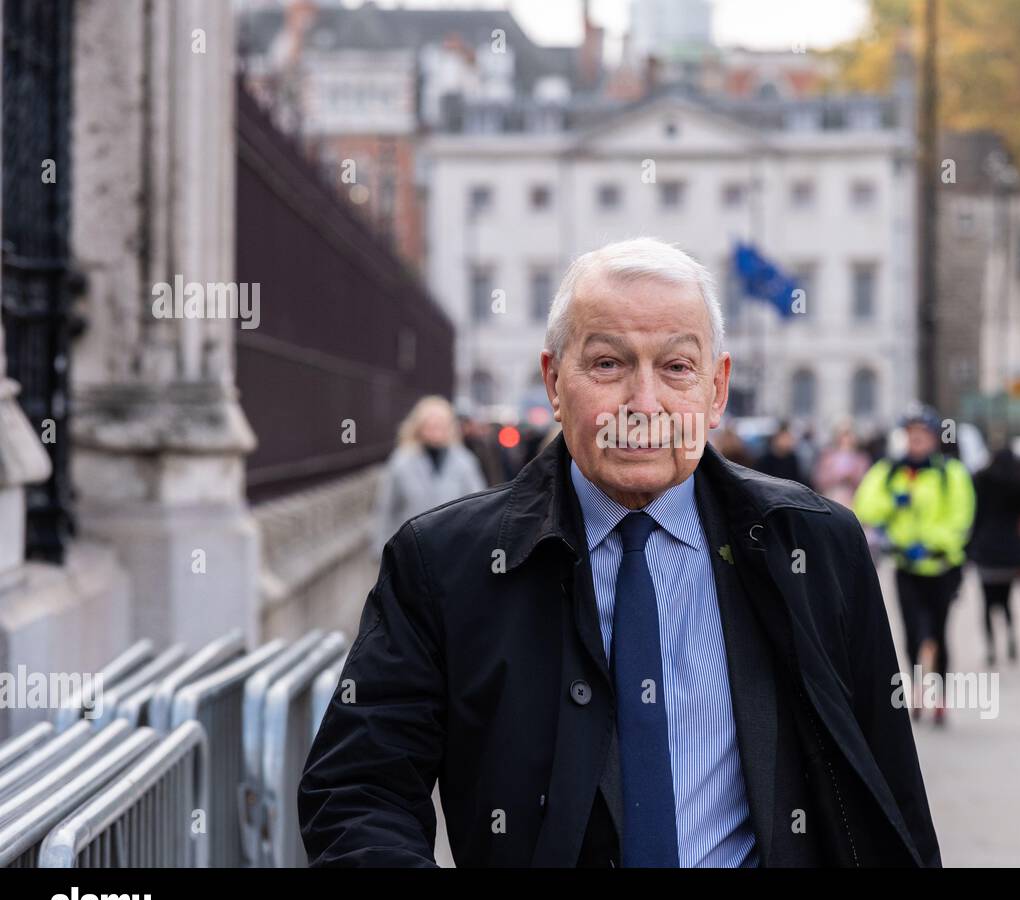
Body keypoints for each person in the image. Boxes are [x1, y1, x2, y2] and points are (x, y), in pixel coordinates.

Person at [300, 237, 940, 867]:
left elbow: (889, 796)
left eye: (676, 368)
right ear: (554, 381)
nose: (643, 403)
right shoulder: (442, 564)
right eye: (608, 364)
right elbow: (359, 791)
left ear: (716, 390)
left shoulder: (813, 546)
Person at [854, 405, 975, 726]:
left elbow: (961, 518)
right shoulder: (889, 471)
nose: (916, 442)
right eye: (911, 436)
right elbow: (865, 507)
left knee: (938, 630)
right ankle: (919, 688)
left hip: (942, 567)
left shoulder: (951, 474)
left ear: (934, 440)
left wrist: (936, 543)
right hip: (906, 564)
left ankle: (942, 695)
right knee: (910, 632)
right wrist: (892, 503)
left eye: (922, 437)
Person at [370, 396, 486, 558]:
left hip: (452, 553)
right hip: (410, 552)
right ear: (419, 427)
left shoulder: (465, 462)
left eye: (441, 424)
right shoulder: (401, 462)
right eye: (430, 424)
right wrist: (380, 549)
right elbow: (386, 507)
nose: (435, 430)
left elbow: (478, 506)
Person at [968, 448, 1020, 666]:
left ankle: (991, 647)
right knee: (1007, 601)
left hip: (987, 548)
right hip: (1010, 550)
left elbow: (975, 514)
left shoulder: (981, 480)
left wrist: (970, 546)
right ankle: (1012, 640)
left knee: (987, 601)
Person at [813, 422, 870, 510]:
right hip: (831, 500)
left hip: (853, 500)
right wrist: (836, 477)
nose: (846, 439)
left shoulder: (860, 458)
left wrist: (851, 478)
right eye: (844, 435)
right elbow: (819, 479)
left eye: (849, 434)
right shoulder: (828, 456)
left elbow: (865, 482)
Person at [754, 421, 808, 486]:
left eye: (788, 438)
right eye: (784, 438)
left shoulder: (793, 458)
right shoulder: (765, 459)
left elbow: (798, 479)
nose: (787, 441)